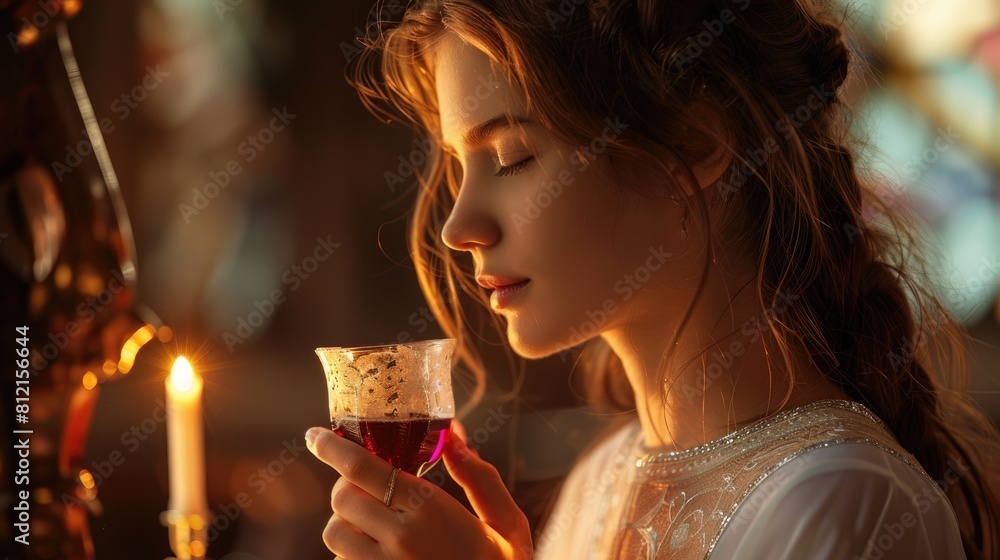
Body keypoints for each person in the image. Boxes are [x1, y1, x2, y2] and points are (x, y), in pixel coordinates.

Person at [304, 0, 1000, 558]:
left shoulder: (841, 506)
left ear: (693, 146)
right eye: (460, 168)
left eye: (513, 155)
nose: (459, 227)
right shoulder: (602, 481)